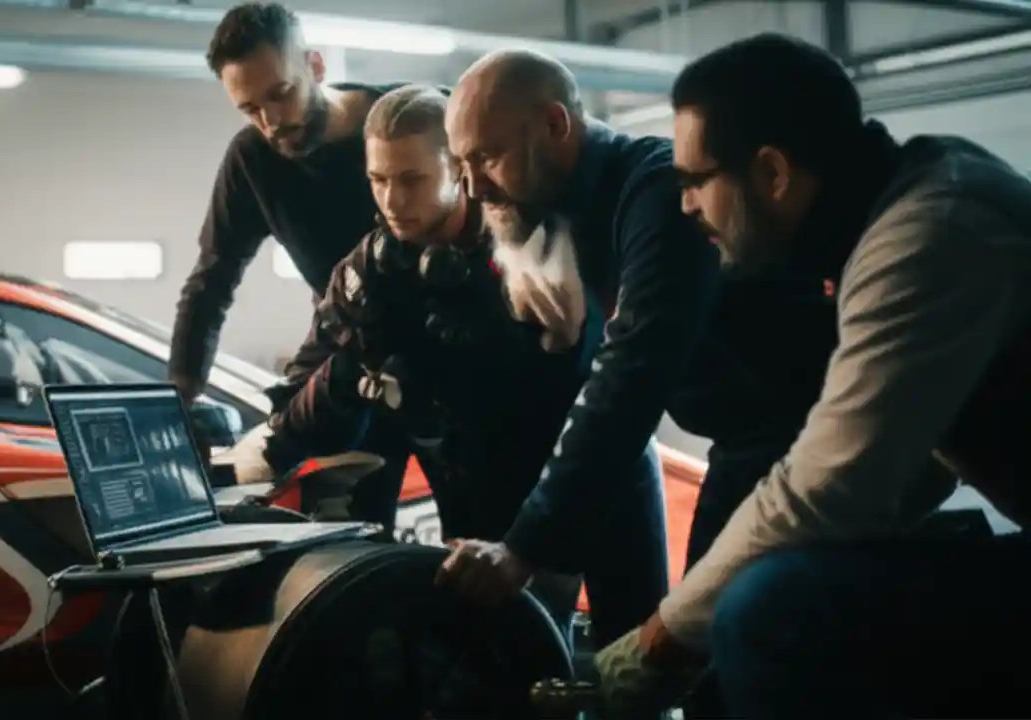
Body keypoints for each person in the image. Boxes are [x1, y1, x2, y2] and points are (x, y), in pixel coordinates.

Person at [583, 33, 1031, 719]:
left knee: (766, 612)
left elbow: (830, 485)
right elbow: (908, 462)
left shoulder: (926, 234)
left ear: (772, 173)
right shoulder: (904, 206)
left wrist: (660, 639)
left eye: (695, 181)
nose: (685, 207)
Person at [434, 49, 840, 660]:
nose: (472, 187)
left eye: (487, 157)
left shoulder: (655, 191)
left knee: (717, 650)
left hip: (801, 441)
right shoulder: (572, 209)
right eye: (461, 164)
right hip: (747, 444)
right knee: (709, 656)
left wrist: (524, 547)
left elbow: (634, 367)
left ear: (554, 124)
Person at [262, 82, 594, 629]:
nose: (392, 201)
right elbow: (296, 400)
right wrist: (351, 373)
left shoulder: (531, 246)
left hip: (558, 484)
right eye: (378, 180)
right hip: (460, 489)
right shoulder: (369, 270)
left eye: (412, 179)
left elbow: (588, 392)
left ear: (459, 168)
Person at [171, 2, 422, 530]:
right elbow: (212, 278)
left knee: (482, 537)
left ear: (316, 66)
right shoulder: (252, 160)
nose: (271, 121)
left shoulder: (409, 119)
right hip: (355, 359)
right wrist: (179, 398)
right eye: (249, 108)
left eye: (281, 94)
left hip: (453, 351)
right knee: (348, 537)